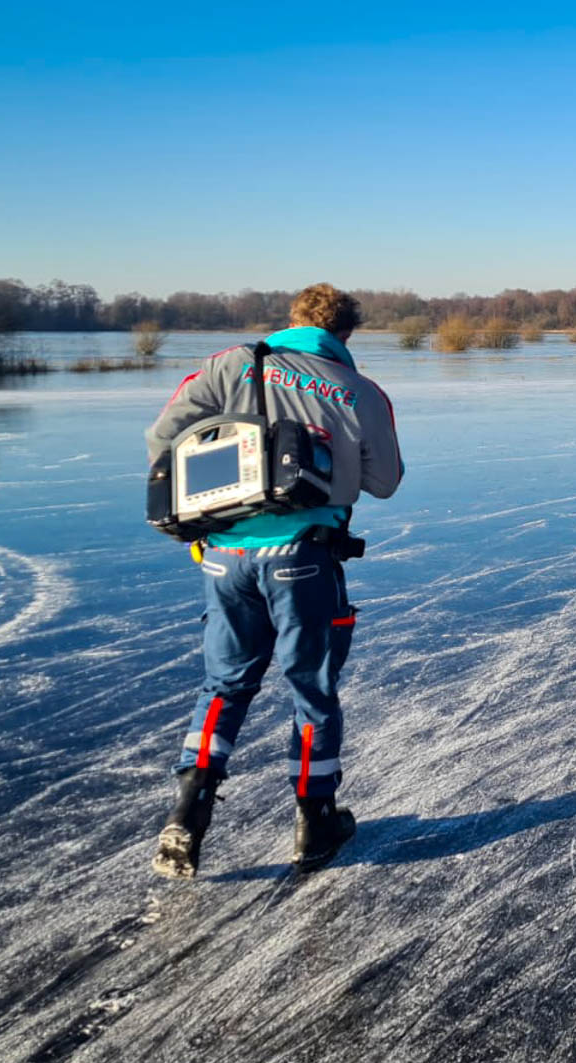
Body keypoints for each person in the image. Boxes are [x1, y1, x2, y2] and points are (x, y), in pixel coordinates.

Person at [144, 283, 403, 878]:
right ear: (345, 333)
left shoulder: (227, 364)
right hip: (305, 559)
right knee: (311, 690)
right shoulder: (359, 390)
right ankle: (315, 823)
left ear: (292, 320)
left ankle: (187, 813)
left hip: (224, 557)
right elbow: (384, 480)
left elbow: (162, 441)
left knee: (224, 684)